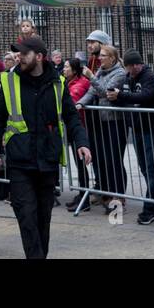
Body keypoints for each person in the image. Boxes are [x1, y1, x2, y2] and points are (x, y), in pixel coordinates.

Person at [0, 36, 90, 259]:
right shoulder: (10, 80)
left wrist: (82, 143)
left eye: (24, 53)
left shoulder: (57, 83)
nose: (18, 57)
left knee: (43, 218)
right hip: (19, 161)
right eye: (17, 53)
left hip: (47, 160)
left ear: (39, 57)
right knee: (26, 215)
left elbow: (71, 117)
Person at [77, 43, 128, 212]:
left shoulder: (120, 73)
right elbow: (92, 92)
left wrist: (91, 77)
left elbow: (105, 92)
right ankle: (108, 194)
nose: (99, 58)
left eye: (103, 55)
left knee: (115, 159)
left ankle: (119, 197)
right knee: (104, 159)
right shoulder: (100, 71)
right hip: (101, 121)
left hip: (115, 121)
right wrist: (79, 104)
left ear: (112, 58)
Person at [118, 51, 154, 224]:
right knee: (145, 167)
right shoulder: (127, 78)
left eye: (137, 64)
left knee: (151, 167)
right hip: (137, 127)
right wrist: (116, 96)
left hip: (151, 128)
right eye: (131, 65)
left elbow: (144, 96)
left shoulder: (149, 76)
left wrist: (121, 95)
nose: (135, 67)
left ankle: (150, 208)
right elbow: (124, 99)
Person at [63, 57, 92, 209]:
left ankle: (85, 199)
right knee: (78, 163)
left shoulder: (81, 83)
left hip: (81, 128)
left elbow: (71, 102)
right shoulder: (68, 82)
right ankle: (82, 193)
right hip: (73, 128)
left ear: (74, 70)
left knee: (81, 163)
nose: (64, 69)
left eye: (67, 67)